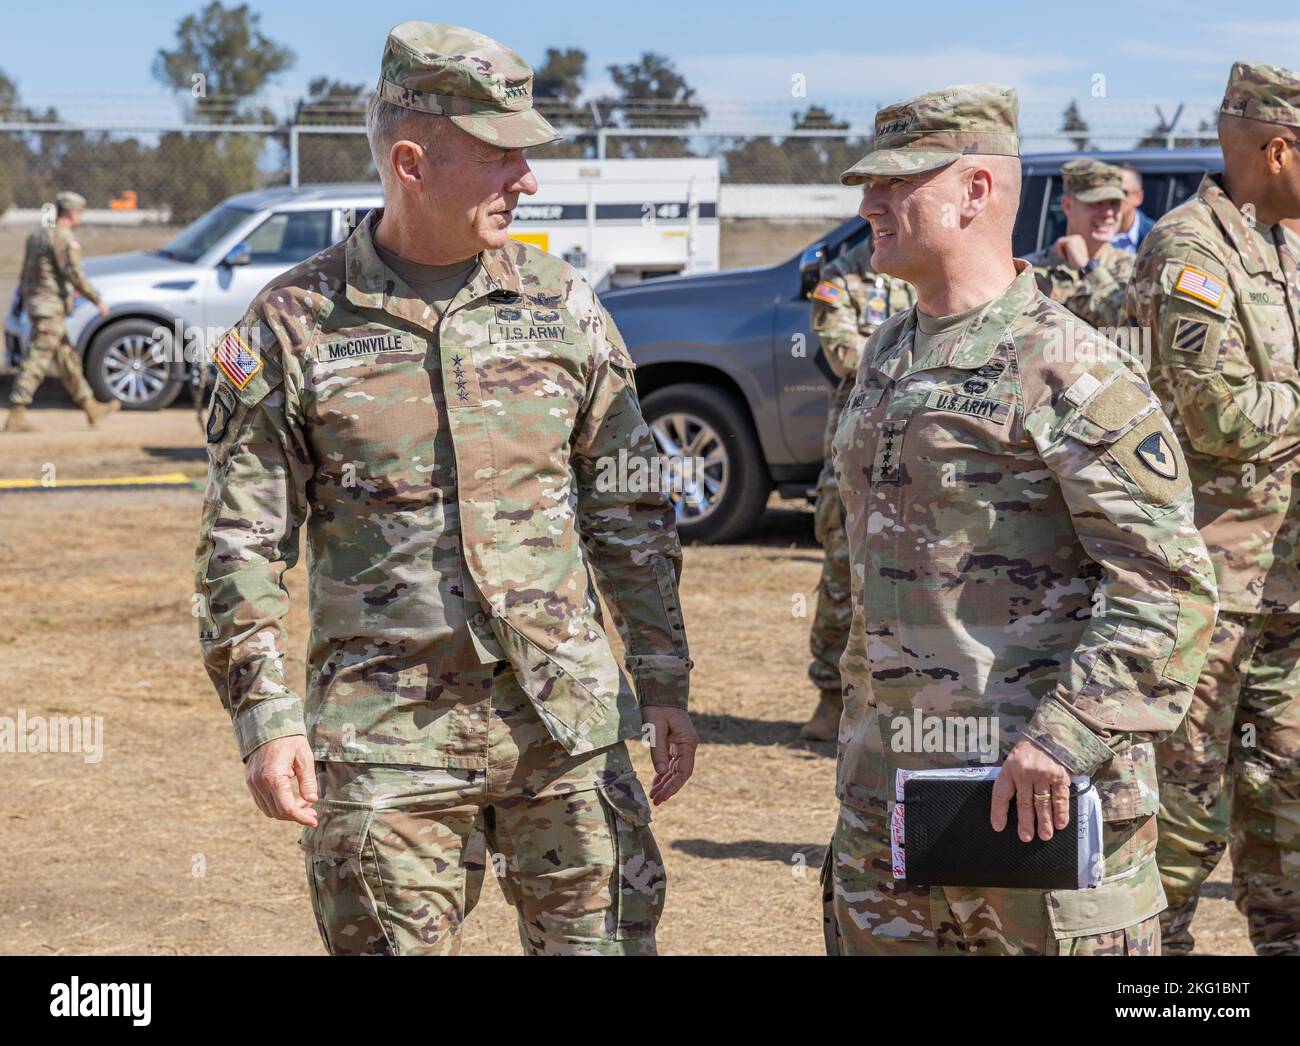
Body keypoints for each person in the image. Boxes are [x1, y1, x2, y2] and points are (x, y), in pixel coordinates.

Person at [194, 21, 697, 956]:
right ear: (414, 163)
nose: (528, 179)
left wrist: (662, 680)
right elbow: (243, 543)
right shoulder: (288, 327)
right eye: (501, 156)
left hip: (566, 728)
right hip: (387, 738)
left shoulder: (563, 306)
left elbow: (628, 508)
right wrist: (265, 719)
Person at [821, 83, 1216, 955]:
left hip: (1034, 812)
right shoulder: (887, 356)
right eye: (867, 185)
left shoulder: (1068, 367)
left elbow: (1170, 582)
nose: (868, 204)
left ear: (975, 191)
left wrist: (1065, 741)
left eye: (895, 183)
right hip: (888, 812)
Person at [1123, 60, 1300, 956]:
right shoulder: (1190, 251)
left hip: (1287, 599)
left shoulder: (1284, 244)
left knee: (1290, 835)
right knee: (1177, 834)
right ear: (1278, 149)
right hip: (1212, 598)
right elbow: (1218, 414)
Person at [802, 240, 914, 741]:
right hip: (854, 444)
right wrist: (921, 358)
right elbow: (846, 355)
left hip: (914, 443)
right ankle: (829, 691)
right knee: (840, 571)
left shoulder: (920, 271)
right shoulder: (838, 281)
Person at [3, 191, 119, 432]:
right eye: (80, 213)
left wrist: (24, 301)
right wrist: (97, 300)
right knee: (37, 359)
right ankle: (16, 412)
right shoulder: (63, 238)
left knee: (67, 359)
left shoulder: (36, 234)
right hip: (50, 307)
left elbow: (26, 273)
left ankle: (90, 407)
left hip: (38, 304)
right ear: (73, 212)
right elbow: (74, 274)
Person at [1024, 159, 1133, 328]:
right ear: (1067, 206)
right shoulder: (1031, 270)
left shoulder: (1134, 270)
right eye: (1096, 203)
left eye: (1115, 203)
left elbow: (1130, 329)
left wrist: (1088, 268)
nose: (1108, 213)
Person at [1111, 164, 1155, 254]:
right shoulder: (1090, 235)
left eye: (1122, 192)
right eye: (1109, 192)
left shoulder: (1157, 237)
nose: (1114, 197)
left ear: (1138, 197)